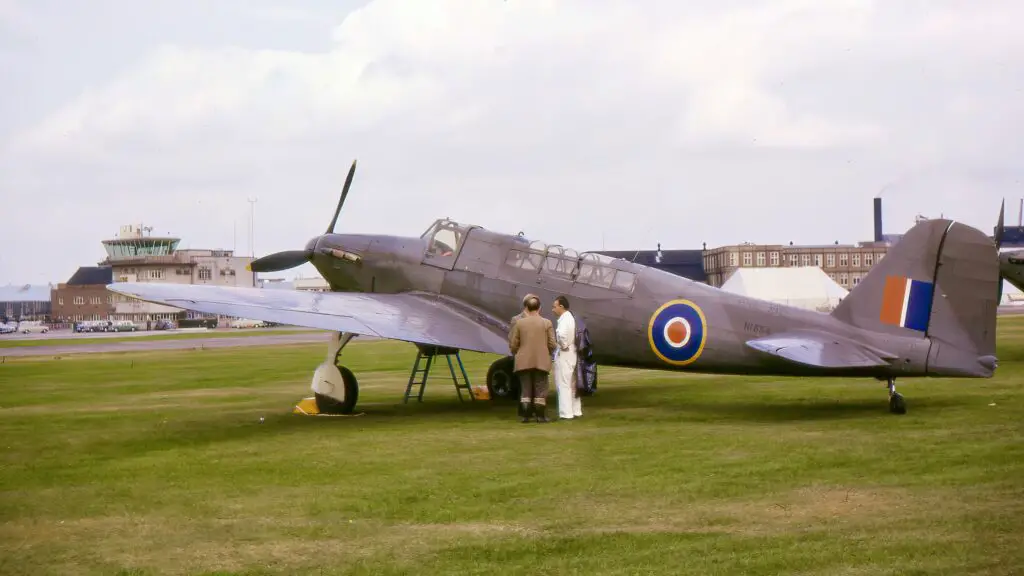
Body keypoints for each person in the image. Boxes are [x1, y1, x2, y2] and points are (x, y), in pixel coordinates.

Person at [508, 294, 557, 423]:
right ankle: (541, 416)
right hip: (541, 361)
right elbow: (552, 343)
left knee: (525, 389)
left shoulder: (519, 323)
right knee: (541, 388)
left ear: (527, 308)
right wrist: (547, 353)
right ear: (539, 308)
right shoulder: (547, 322)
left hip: (523, 361)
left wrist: (518, 353)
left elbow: (513, 344)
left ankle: (526, 416)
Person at [552, 295, 582, 419]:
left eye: (554, 307)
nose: (553, 309)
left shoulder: (564, 319)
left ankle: (566, 413)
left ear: (561, 306)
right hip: (572, 352)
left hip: (565, 353)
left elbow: (561, 335)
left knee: (563, 383)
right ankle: (576, 410)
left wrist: (562, 345)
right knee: (573, 384)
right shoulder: (570, 317)